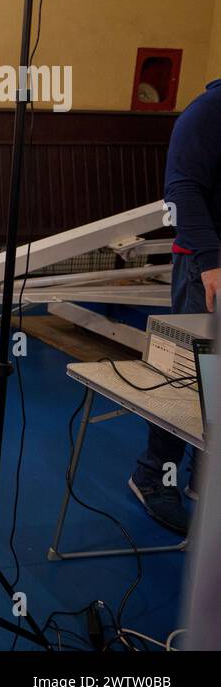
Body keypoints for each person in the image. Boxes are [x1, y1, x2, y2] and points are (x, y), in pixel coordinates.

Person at [130, 77, 220, 534]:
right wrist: (210, 262)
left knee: (218, 386)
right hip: (204, 268)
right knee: (187, 378)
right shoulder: (208, 112)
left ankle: (206, 480)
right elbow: (181, 192)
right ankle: (153, 475)